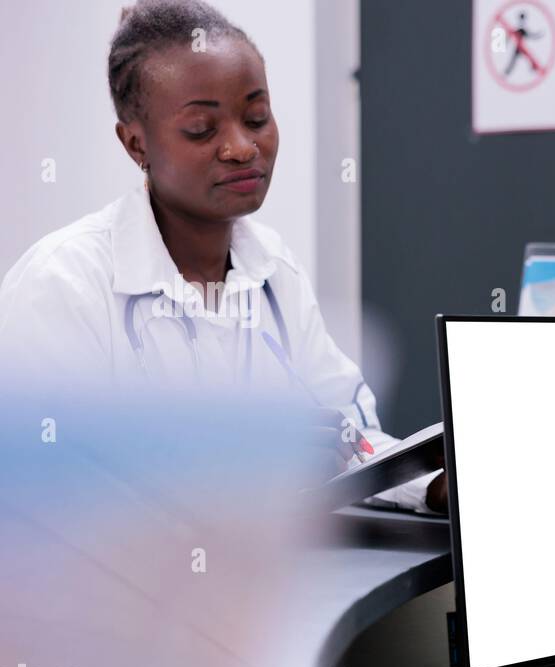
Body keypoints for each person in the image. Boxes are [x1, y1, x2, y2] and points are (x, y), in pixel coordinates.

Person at [0, 0, 447, 512]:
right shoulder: (62, 282)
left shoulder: (273, 269)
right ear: (135, 144)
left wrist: (430, 487)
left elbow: (354, 436)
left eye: (256, 117)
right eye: (201, 130)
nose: (241, 147)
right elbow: (38, 488)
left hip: (263, 577)